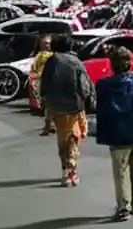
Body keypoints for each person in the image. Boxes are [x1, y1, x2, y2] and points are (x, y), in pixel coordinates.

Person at [95, 47, 133, 221]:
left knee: (120, 172)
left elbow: (98, 107)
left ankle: (123, 206)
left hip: (116, 134)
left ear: (112, 64)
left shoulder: (104, 85)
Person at [40, 33, 95, 186]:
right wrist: (87, 99)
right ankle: (72, 169)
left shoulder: (51, 62)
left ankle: (66, 169)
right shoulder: (76, 62)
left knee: (62, 137)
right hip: (75, 106)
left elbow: (44, 85)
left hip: (56, 107)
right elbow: (85, 84)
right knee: (75, 135)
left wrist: (45, 103)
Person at [31, 35, 55, 135]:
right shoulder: (40, 55)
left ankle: (50, 125)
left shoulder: (53, 55)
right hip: (42, 81)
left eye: (49, 43)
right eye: (45, 43)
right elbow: (34, 68)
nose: (47, 45)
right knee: (47, 105)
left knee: (50, 105)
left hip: (51, 81)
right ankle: (50, 124)